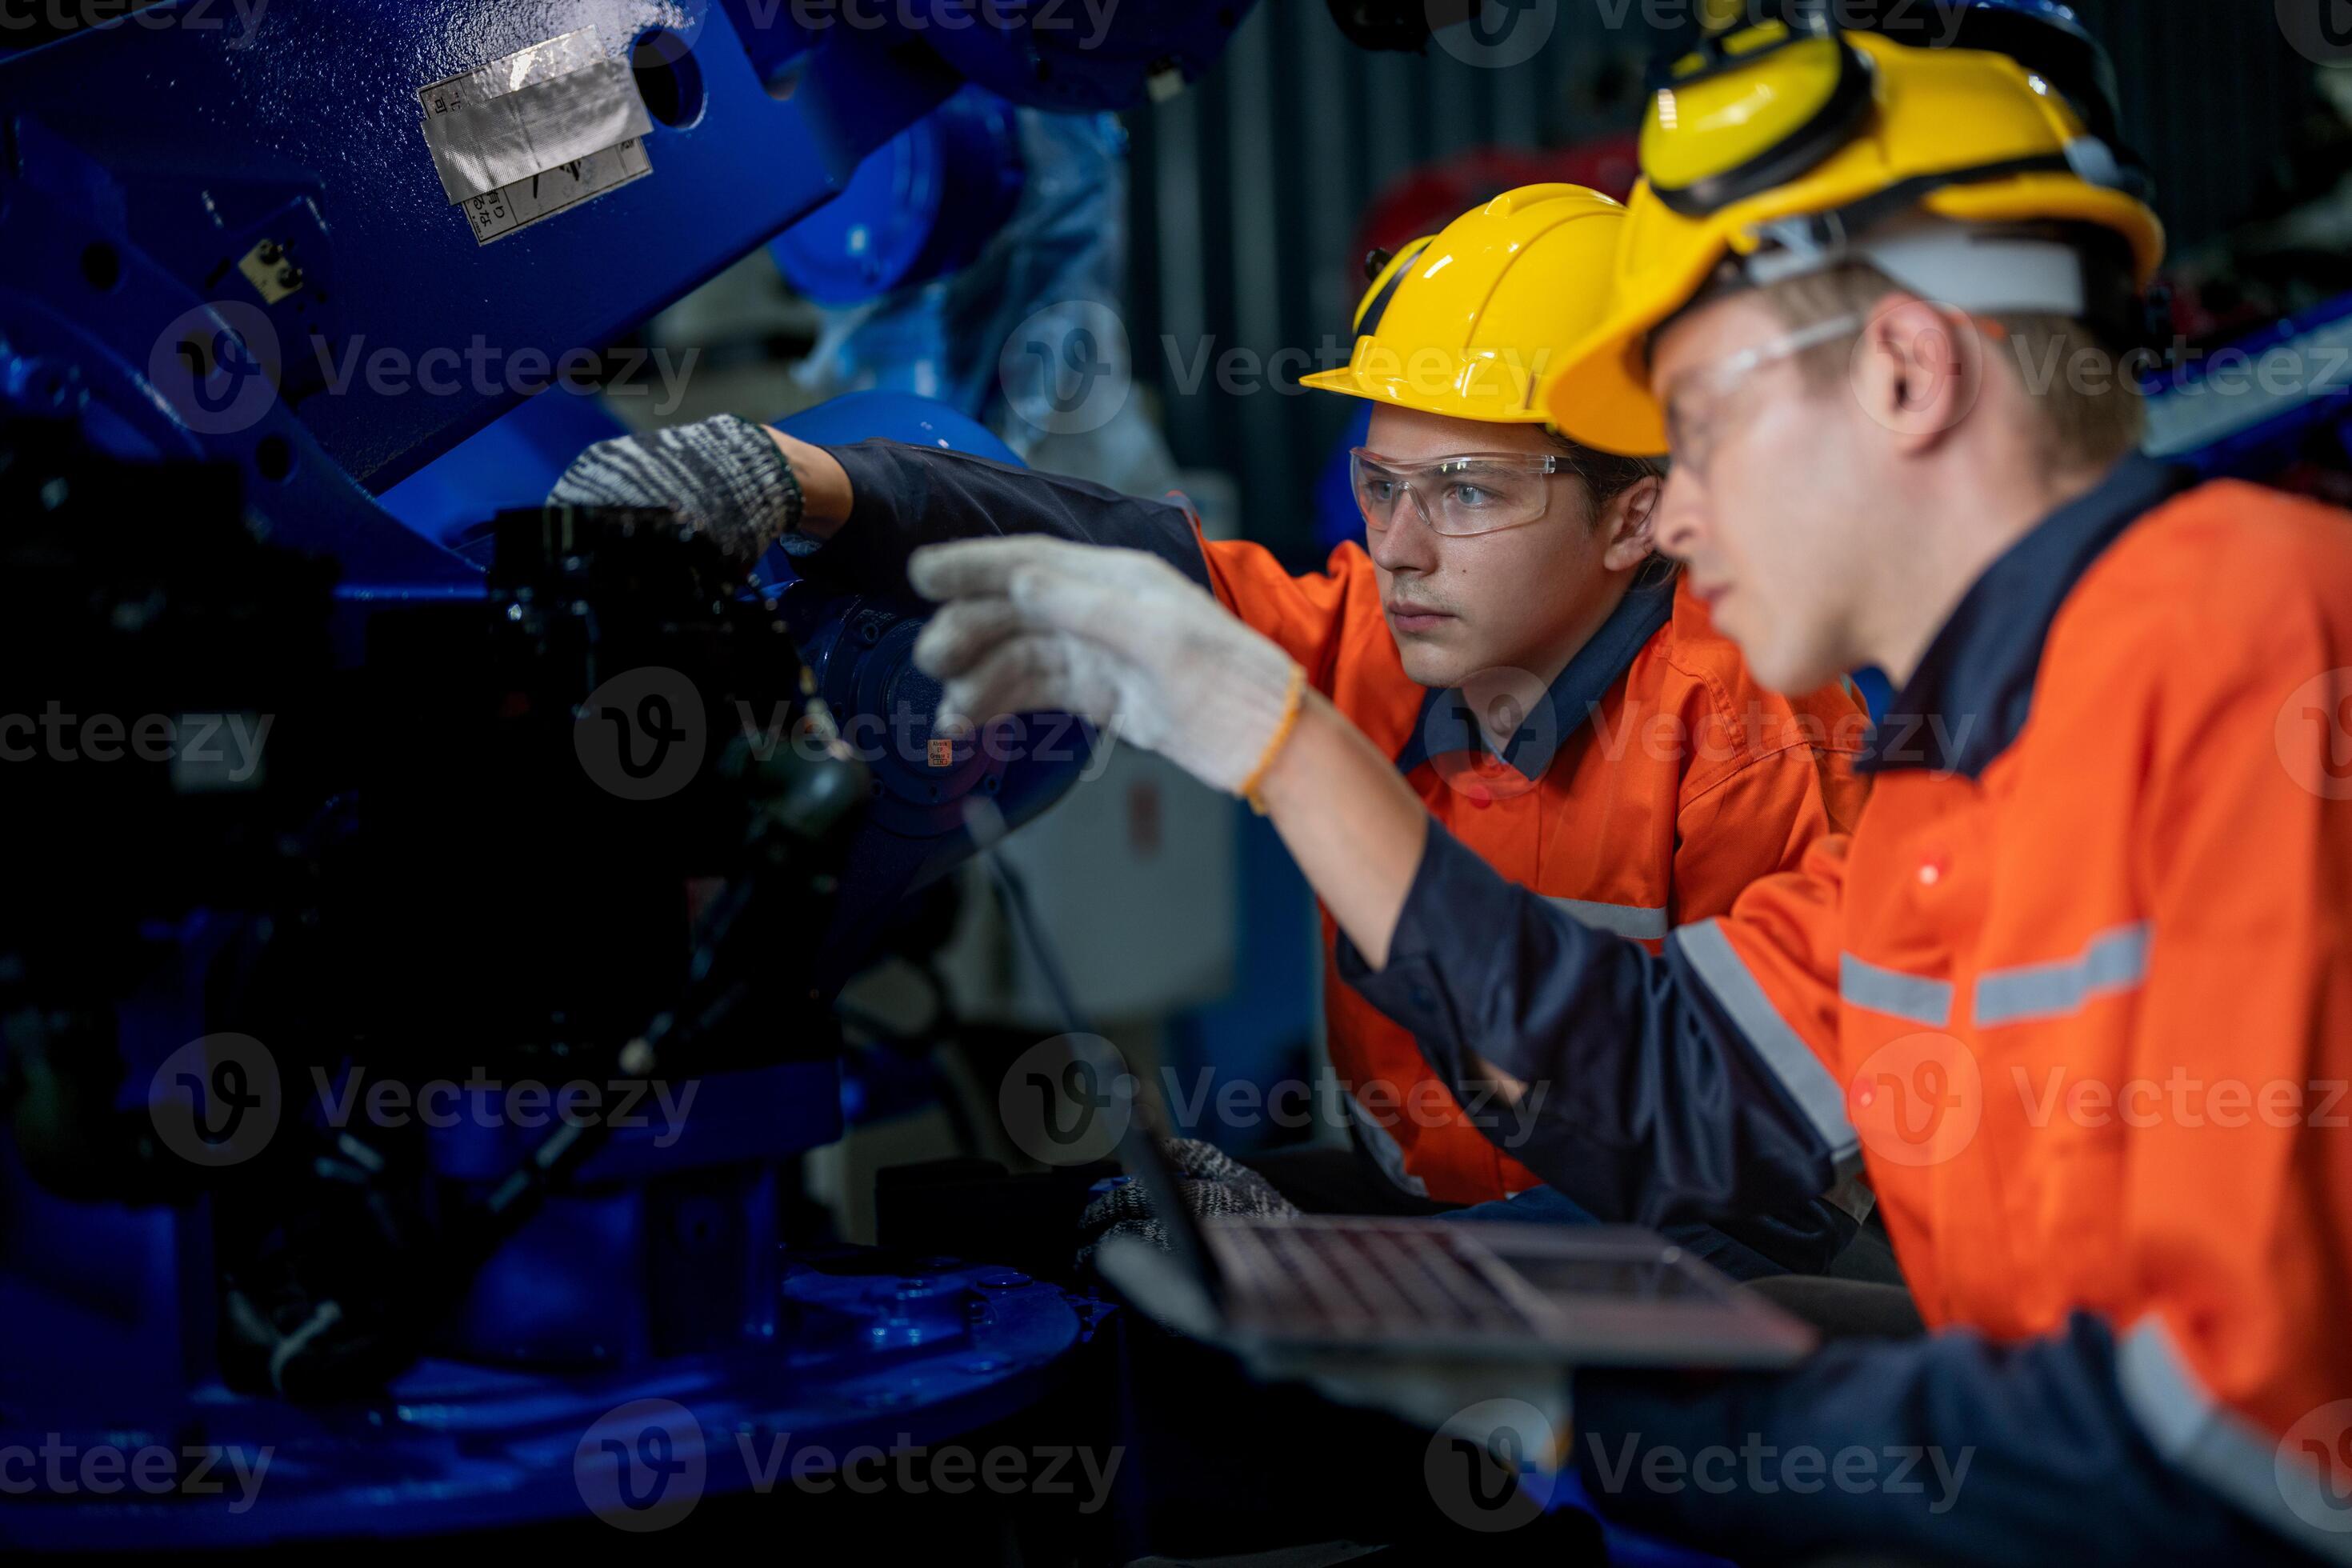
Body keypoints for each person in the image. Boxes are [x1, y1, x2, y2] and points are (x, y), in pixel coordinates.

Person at [906, 20, 2352, 1563]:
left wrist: (1591, 1416)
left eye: (1704, 429)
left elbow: (2226, 1459)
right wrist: (1291, 750)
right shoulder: (1953, 776)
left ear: (1909, 373)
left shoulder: (2247, 652)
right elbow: (1677, 1085)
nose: (1680, 512)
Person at [549, 184, 1877, 1280]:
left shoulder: (1749, 728)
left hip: (1733, 1272)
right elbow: (1133, 559)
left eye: (1465, 493)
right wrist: (801, 481)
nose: (1397, 549)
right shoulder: (1382, 636)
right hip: (1456, 1209)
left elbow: (1747, 1172)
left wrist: (1342, 1267)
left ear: (1636, 517)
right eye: (1380, 484)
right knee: (1054, 1249)